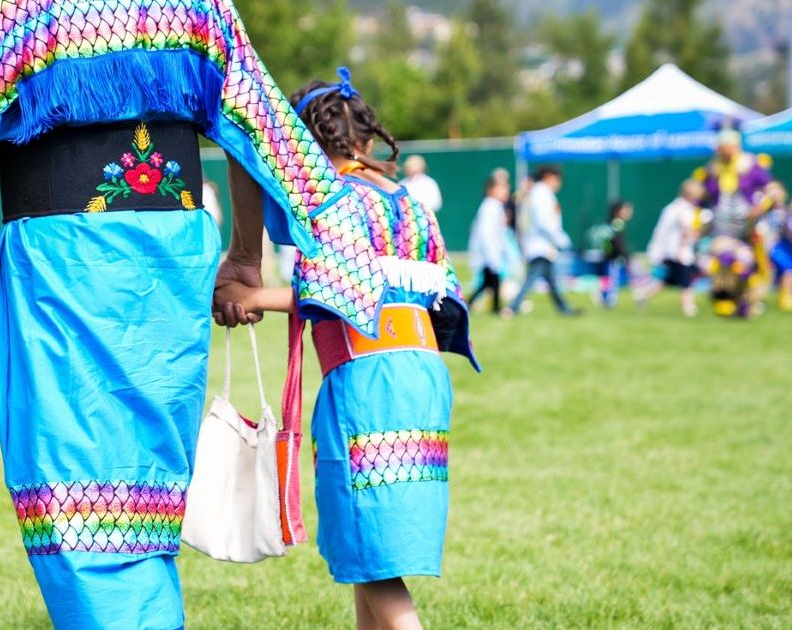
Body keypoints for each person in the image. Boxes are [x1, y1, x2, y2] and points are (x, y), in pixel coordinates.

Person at [0, 5, 414, 627]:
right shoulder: (195, 4)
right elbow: (245, 115)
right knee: (143, 491)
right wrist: (243, 254)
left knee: (79, 498)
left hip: (66, 256)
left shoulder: (10, 6)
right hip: (173, 248)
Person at [216, 72, 477, 630]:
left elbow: (343, 288)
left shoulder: (338, 201)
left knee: (378, 564)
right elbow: (445, 291)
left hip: (367, 378)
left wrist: (248, 294)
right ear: (364, 133)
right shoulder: (408, 203)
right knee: (370, 552)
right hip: (423, 377)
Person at [693, 127, 774, 317]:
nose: (726, 151)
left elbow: (771, 190)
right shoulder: (711, 170)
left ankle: (746, 302)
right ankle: (724, 299)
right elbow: (700, 199)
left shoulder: (752, 166)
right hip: (722, 230)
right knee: (722, 261)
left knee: (749, 264)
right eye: (722, 147)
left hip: (750, 229)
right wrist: (698, 223)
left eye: (729, 147)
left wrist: (760, 207)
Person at [503, 165, 579, 318]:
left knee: (550, 279)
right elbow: (544, 221)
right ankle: (513, 307)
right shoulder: (541, 193)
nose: (559, 183)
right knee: (532, 277)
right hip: (540, 244)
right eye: (558, 179)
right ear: (549, 176)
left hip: (543, 244)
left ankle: (563, 308)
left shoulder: (540, 192)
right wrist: (561, 240)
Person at [637, 180, 705, 317]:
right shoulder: (683, 210)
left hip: (672, 253)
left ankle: (642, 295)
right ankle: (689, 307)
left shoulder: (672, 208)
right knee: (686, 282)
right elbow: (687, 230)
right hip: (679, 254)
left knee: (665, 281)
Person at [467, 175, 510, 314]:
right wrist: (492, 255)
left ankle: (471, 304)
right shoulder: (490, 206)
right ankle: (496, 309)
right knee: (493, 281)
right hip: (489, 253)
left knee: (488, 282)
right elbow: (486, 234)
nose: (505, 191)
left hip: (493, 252)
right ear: (491, 190)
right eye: (501, 188)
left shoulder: (495, 206)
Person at [590, 200, 633, 308]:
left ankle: (604, 297)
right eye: (626, 209)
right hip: (612, 257)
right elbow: (618, 242)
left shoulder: (610, 223)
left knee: (607, 278)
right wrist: (624, 255)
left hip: (607, 256)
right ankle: (608, 299)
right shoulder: (617, 223)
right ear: (618, 211)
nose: (629, 212)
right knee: (612, 278)